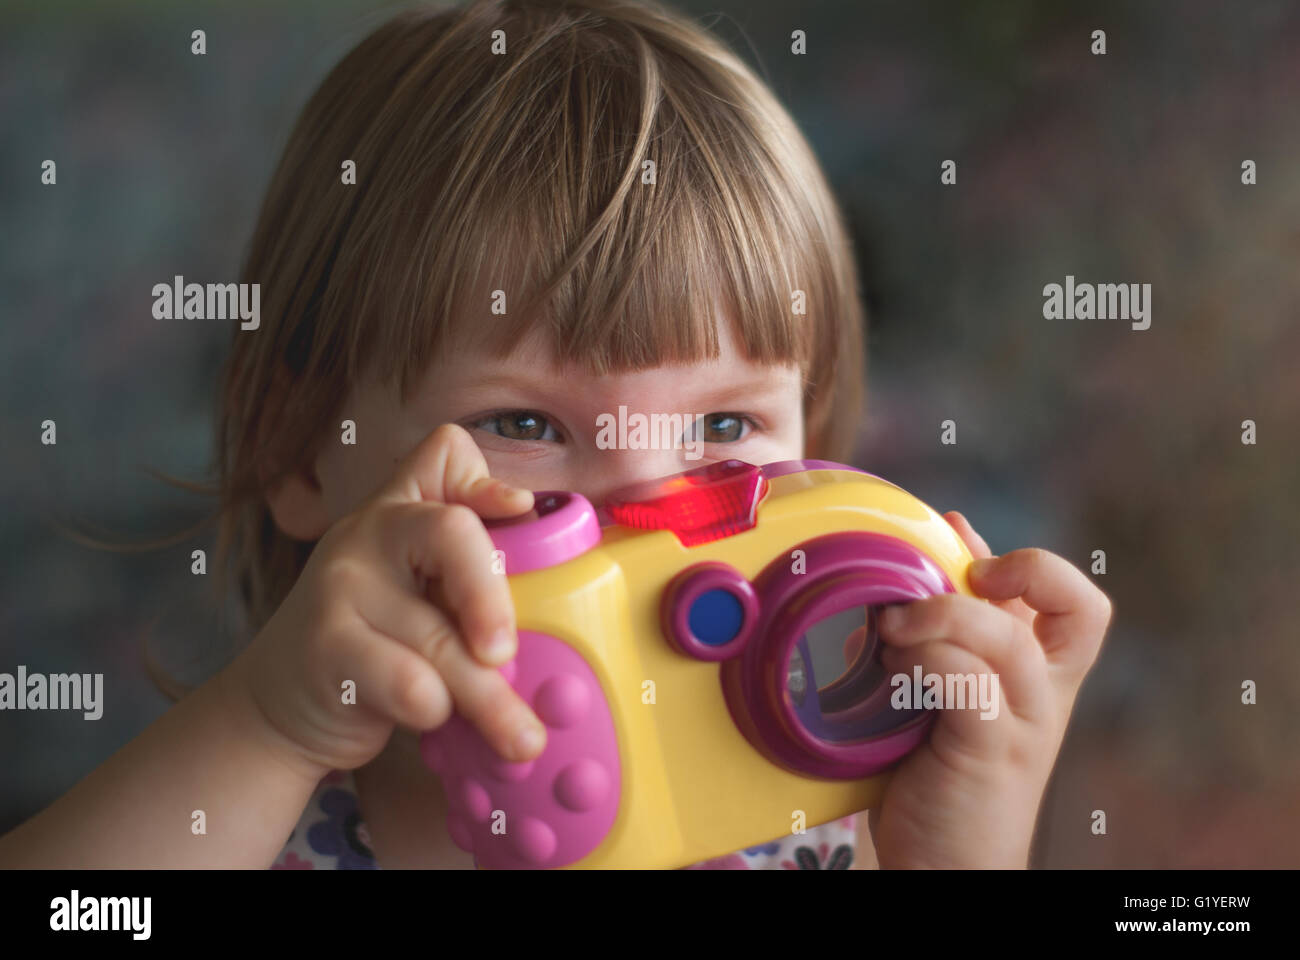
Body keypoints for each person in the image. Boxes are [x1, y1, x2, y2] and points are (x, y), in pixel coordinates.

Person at [0, 0, 1111, 870]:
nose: (642, 502)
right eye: (525, 423)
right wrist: (270, 727)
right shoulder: (241, 807)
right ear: (299, 450)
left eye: (726, 424)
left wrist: (963, 856)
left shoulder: (814, 824)